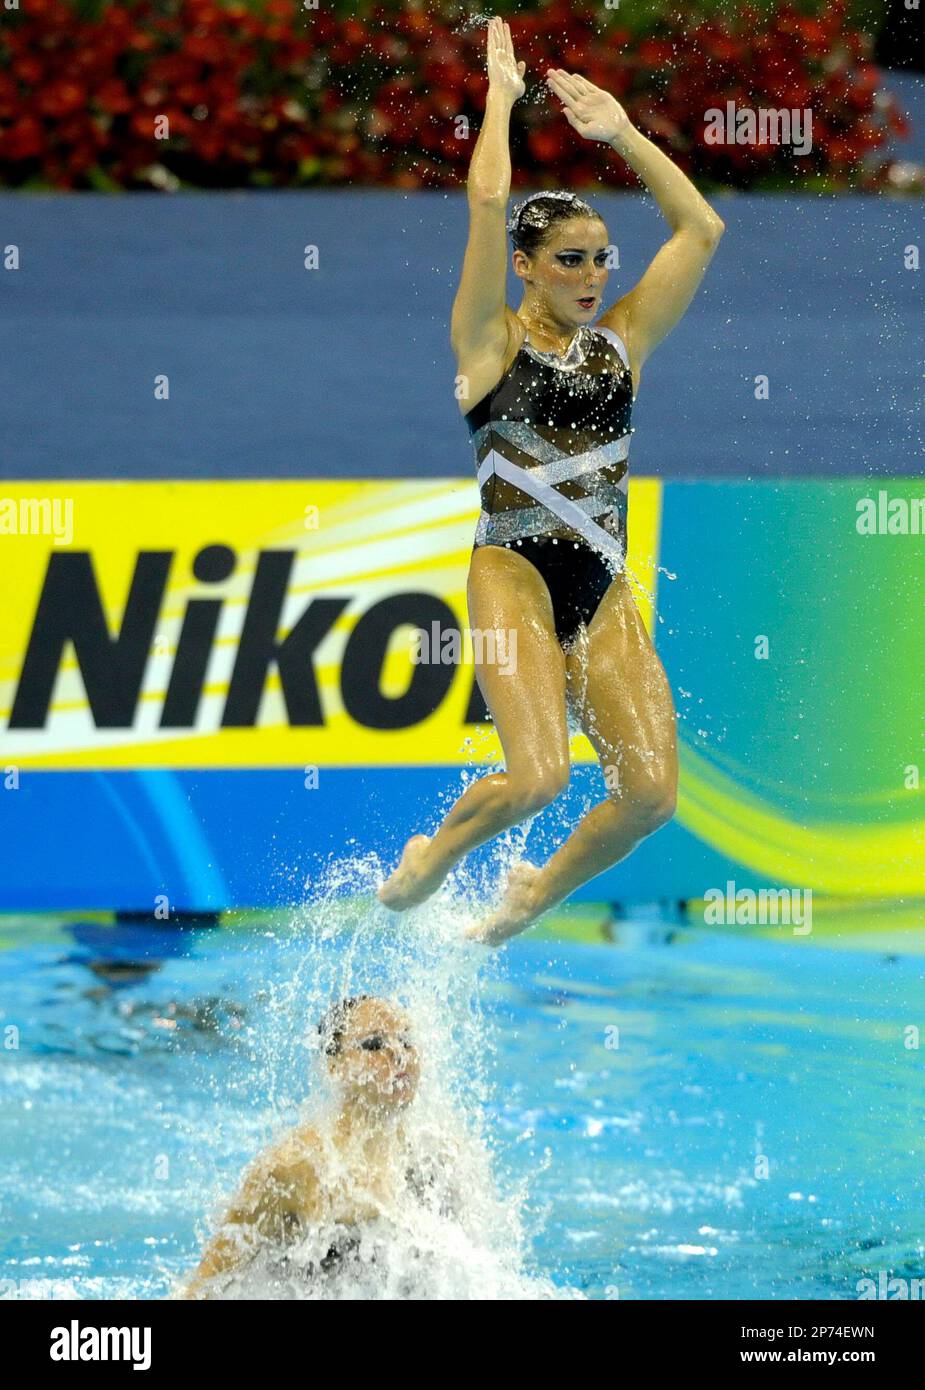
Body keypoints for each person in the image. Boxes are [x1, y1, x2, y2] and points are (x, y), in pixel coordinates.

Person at [379, 17, 724, 945]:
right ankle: (431, 858)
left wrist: (621, 134)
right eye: (568, 260)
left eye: (600, 257)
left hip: (598, 582)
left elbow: (701, 227)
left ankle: (536, 891)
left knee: (649, 794)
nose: (591, 273)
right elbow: (486, 208)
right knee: (535, 778)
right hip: (513, 572)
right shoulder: (486, 346)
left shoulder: (622, 343)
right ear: (527, 269)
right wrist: (497, 101)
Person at [176, 995, 469, 1298]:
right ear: (334, 1067)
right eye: (373, 1045)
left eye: (406, 1040)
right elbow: (204, 1285)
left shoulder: (435, 1158)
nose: (398, 1055)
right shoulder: (296, 1168)